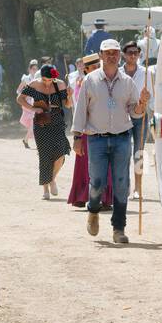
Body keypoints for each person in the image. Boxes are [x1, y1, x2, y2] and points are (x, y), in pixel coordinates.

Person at [71, 39, 150, 243]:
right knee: (96, 182)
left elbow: (135, 112)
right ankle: (94, 210)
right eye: (108, 53)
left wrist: (141, 104)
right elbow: (80, 110)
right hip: (96, 139)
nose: (112, 56)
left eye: (115, 52)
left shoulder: (127, 82)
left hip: (122, 139)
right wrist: (78, 136)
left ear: (119, 55)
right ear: (101, 55)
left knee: (121, 184)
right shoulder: (90, 80)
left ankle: (119, 228)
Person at [18, 64, 69, 199]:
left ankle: (51, 179)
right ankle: (45, 189)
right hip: (41, 123)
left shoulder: (61, 85)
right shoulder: (34, 84)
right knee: (44, 155)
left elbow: (68, 104)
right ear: (41, 77)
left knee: (61, 153)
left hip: (57, 122)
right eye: (45, 80)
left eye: (50, 80)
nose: (47, 83)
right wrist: (32, 109)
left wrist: (69, 95)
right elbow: (20, 99)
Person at [67, 53, 110, 210]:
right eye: (93, 67)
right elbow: (79, 109)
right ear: (86, 69)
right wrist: (77, 135)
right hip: (88, 130)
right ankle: (84, 196)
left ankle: (103, 198)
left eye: (98, 66)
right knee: (87, 165)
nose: (97, 69)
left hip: (105, 128)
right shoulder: (84, 82)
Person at [122, 37, 149, 200]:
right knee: (123, 153)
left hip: (141, 116)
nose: (133, 55)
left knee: (139, 153)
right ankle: (124, 186)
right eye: (130, 53)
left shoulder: (146, 72)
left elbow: (151, 94)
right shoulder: (118, 73)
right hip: (122, 117)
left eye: (136, 53)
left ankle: (138, 188)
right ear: (124, 55)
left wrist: (145, 99)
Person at [17, 59, 40, 148]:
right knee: (33, 123)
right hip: (27, 103)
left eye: (36, 69)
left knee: (34, 123)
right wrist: (24, 97)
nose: (34, 70)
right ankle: (35, 142)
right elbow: (18, 90)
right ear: (29, 69)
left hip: (36, 102)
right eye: (33, 69)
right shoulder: (26, 78)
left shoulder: (38, 78)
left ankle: (26, 140)